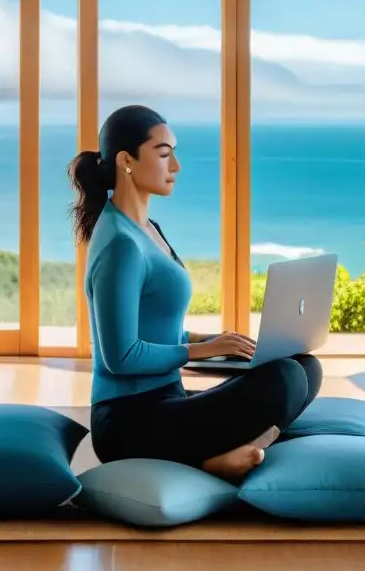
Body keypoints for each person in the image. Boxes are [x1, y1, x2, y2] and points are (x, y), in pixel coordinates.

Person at [67, 104, 322, 482]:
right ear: (126, 161)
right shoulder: (120, 244)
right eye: (164, 154)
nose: (176, 166)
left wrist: (211, 338)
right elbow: (121, 356)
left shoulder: (147, 227)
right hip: (128, 422)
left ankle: (248, 443)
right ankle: (208, 461)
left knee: (303, 366)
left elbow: (150, 330)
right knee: (283, 379)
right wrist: (203, 351)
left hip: (168, 400)